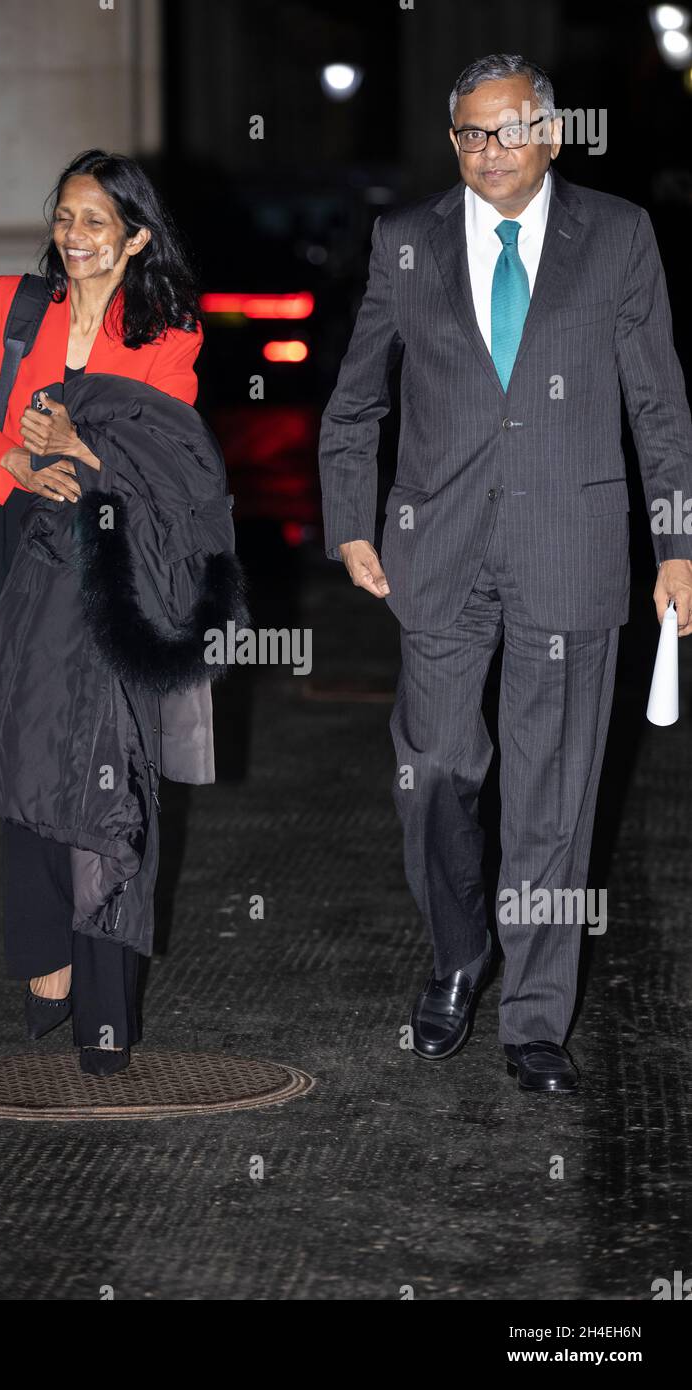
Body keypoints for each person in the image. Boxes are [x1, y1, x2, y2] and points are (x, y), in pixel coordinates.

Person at [318, 54, 692, 1094]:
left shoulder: (616, 237)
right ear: (454, 143)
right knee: (435, 772)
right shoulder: (406, 243)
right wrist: (351, 521)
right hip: (434, 555)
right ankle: (456, 953)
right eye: (472, 135)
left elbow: (659, 404)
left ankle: (535, 1016)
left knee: (554, 799)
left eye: (511, 130)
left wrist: (679, 543)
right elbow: (355, 403)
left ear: (554, 133)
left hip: (570, 553)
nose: (491, 152)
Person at [0, 149, 204, 1074]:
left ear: (135, 237)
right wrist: (13, 461)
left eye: (96, 223)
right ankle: (43, 954)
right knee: (24, 751)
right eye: (64, 218)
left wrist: (80, 446)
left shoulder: (168, 333)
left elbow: (169, 465)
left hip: (108, 560)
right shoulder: (13, 303)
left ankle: (105, 1007)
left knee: (106, 766)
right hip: (18, 545)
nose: (75, 238)